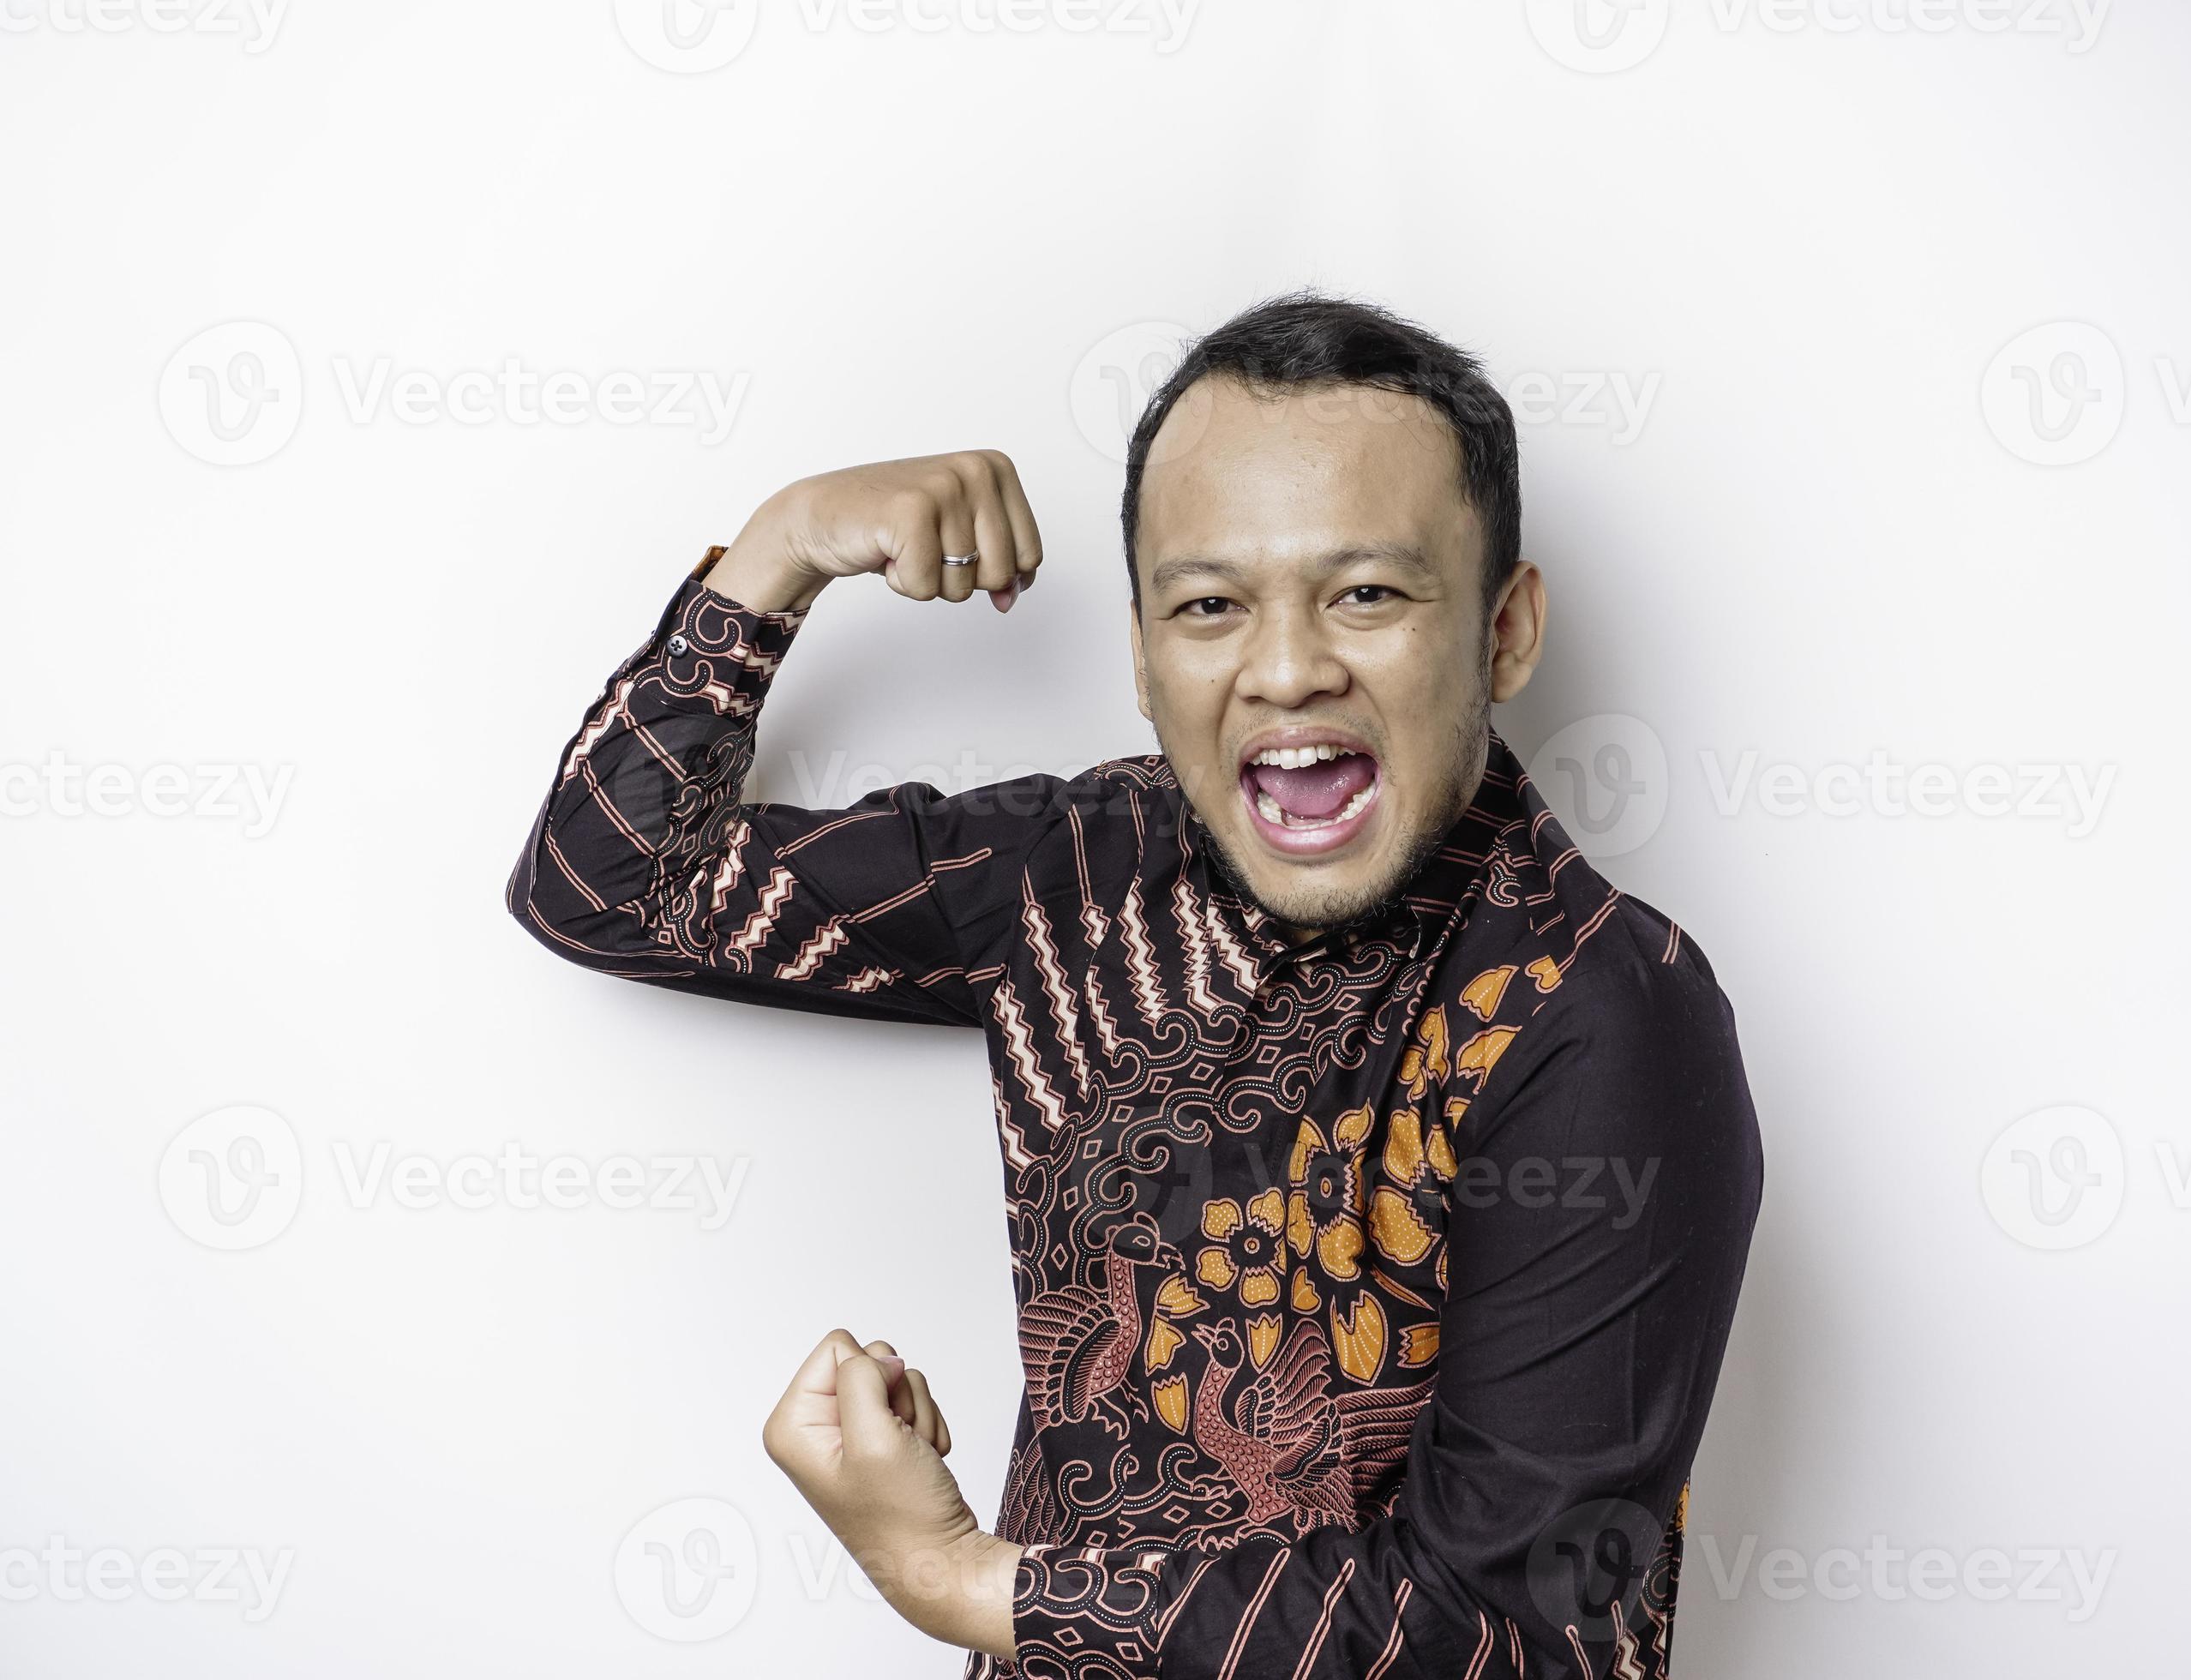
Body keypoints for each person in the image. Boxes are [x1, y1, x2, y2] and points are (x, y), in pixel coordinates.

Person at [507, 293, 1762, 1678]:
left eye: (1367, 593)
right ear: (1145, 657)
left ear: (1505, 633)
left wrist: (954, 1578)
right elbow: (609, 886)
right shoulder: (1078, 867)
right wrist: (784, 544)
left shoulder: (1600, 1012)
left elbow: (1508, 1634)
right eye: (1210, 605)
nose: (1286, 669)